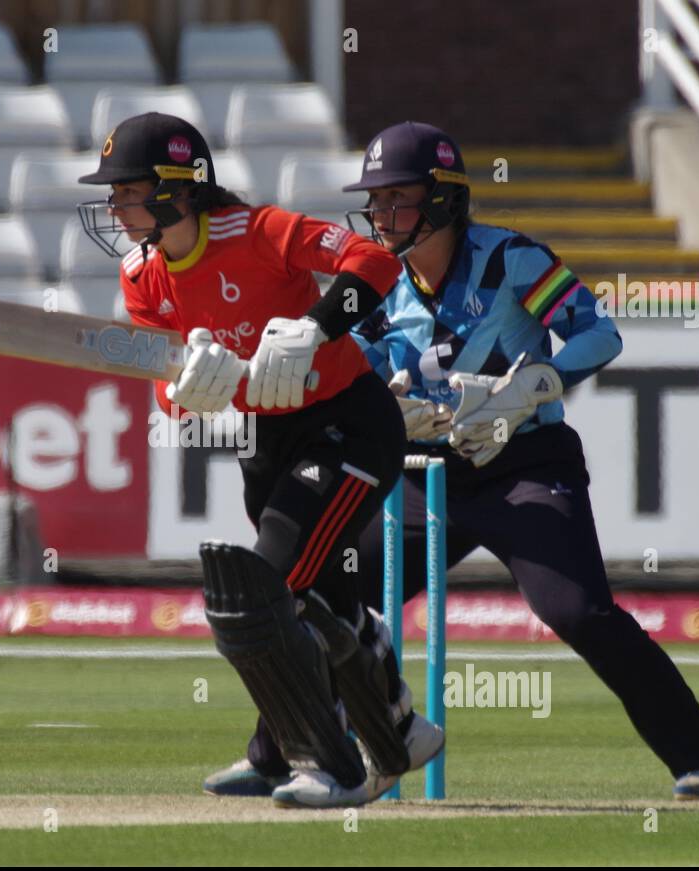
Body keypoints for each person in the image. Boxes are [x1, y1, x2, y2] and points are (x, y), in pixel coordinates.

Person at [345, 121, 699, 801]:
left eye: (398, 198)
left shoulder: (512, 260)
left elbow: (599, 333)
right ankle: (288, 756)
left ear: (443, 199)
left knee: (580, 612)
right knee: (329, 594)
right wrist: (382, 402)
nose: (381, 215)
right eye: (375, 200)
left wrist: (541, 382)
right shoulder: (375, 278)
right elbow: (351, 365)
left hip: (524, 464)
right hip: (427, 471)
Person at [77, 113, 444, 808]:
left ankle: (329, 765)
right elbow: (167, 394)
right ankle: (396, 727)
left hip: (347, 427)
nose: (115, 206)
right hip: (264, 443)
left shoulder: (261, 231)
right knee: (319, 597)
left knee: (266, 588)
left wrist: (314, 329)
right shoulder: (141, 275)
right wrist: (188, 384)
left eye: (127, 190)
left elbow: (375, 261)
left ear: (179, 189)